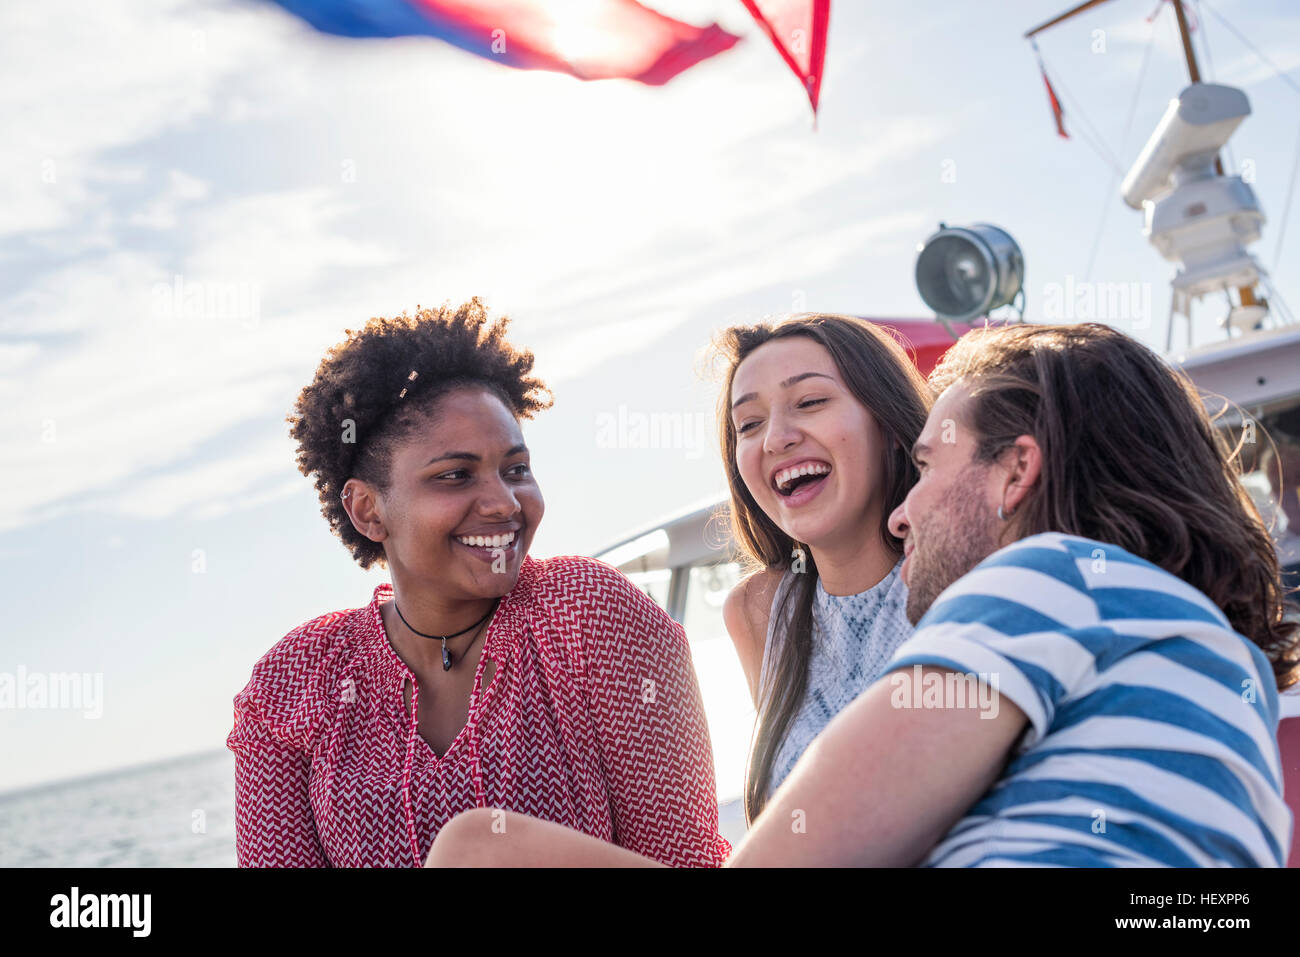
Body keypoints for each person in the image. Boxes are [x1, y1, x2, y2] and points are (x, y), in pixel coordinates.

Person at [424, 321, 1298, 867]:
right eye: (747, 423)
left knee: (478, 847)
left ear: (1016, 471)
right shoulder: (1216, 664)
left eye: (925, 466)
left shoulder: (1050, 581)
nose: (909, 509)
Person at [226, 298, 729, 867]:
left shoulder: (590, 615)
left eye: (516, 469)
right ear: (367, 509)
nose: (503, 502)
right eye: (455, 476)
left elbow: (685, 860)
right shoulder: (292, 684)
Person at [712, 314, 929, 822]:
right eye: (749, 424)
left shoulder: (962, 577)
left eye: (810, 402)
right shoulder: (758, 612)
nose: (775, 439)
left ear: (889, 425)